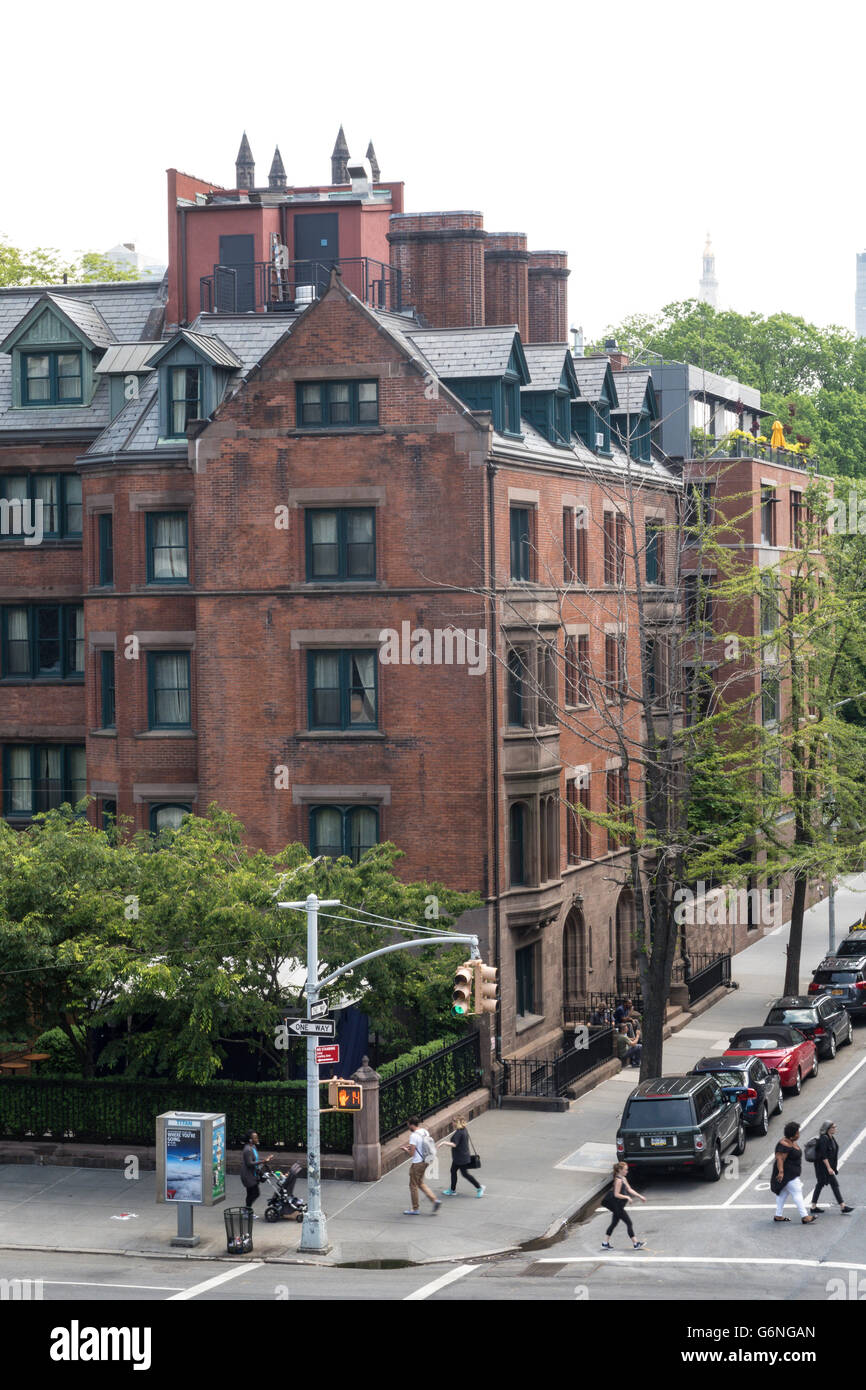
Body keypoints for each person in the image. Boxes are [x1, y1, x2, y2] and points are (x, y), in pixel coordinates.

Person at [773, 1121, 816, 1223]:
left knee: (782, 1194)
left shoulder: (790, 1142)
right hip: (789, 1175)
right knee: (797, 1193)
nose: (799, 1134)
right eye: (797, 1132)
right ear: (792, 1136)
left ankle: (778, 1215)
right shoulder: (784, 1145)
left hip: (791, 1173)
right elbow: (780, 1159)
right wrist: (781, 1172)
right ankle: (805, 1216)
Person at [810, 1121, 854, 1214]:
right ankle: (842, 1206)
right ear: (828, 1128)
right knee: (833, 1184)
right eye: (833, 1127)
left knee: (821, 1184)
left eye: (835, 1127)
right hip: (823, 1167)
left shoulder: (831, 1138)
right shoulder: (824, 1139)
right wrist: (829, 1168)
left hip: (827, 1166)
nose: (835, 1128)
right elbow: (823, 1155)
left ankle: (813, 1206)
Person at [600, 1162, 646, 1250]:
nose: (627, 1171)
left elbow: (629, 1189)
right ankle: (636, 1243)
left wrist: (640, 1196)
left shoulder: (623, 1178)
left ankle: (605, 1243)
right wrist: (627, 1197)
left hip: (619, 1206)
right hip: (617, 1206)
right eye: (625, 1169)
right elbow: (616, 1194)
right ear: (620, 1170)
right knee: (629, 1223)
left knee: (614, 1224)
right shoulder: (618, 1180)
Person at [400, 1117, 441, 1215]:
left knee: (413, 1185)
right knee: (420, 1183)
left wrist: (405, 1149)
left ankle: (415, 1209)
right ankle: (435, 1200)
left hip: (418, 1163)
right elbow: (423, 1144)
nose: (408, 1127)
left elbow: (412, 1154)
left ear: (411, 1124)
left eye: (408, 1125)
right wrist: (411, 1146)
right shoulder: (424, 1131)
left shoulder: (413, 1136)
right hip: (426, 1160)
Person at [440, 1115, 485, 1198]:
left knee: (465, 1174)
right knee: (453, 1171)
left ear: (457, 1123)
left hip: (461, 1158)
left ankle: (479, 1187)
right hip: (460, 1156)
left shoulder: (459, 1133)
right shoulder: (464, 1130)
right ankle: (452, 1190)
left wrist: (444, 1143)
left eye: (453, 1122)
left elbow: (454, 1144)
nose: (452, 1123)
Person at [240, 1129, 273, 1219]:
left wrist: (264, 1160)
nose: (257, 1138)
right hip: (248, 1176)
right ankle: (247, 1211)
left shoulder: (253, 1147)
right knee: (255, 1193)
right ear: (250, 1140)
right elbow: (249, 1163)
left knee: (251, 1193)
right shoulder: (247, 1149)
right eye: (255, 1137)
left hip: (252, 1174)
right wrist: (262, 1161)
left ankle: (246, 1211)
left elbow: (255, 1160)